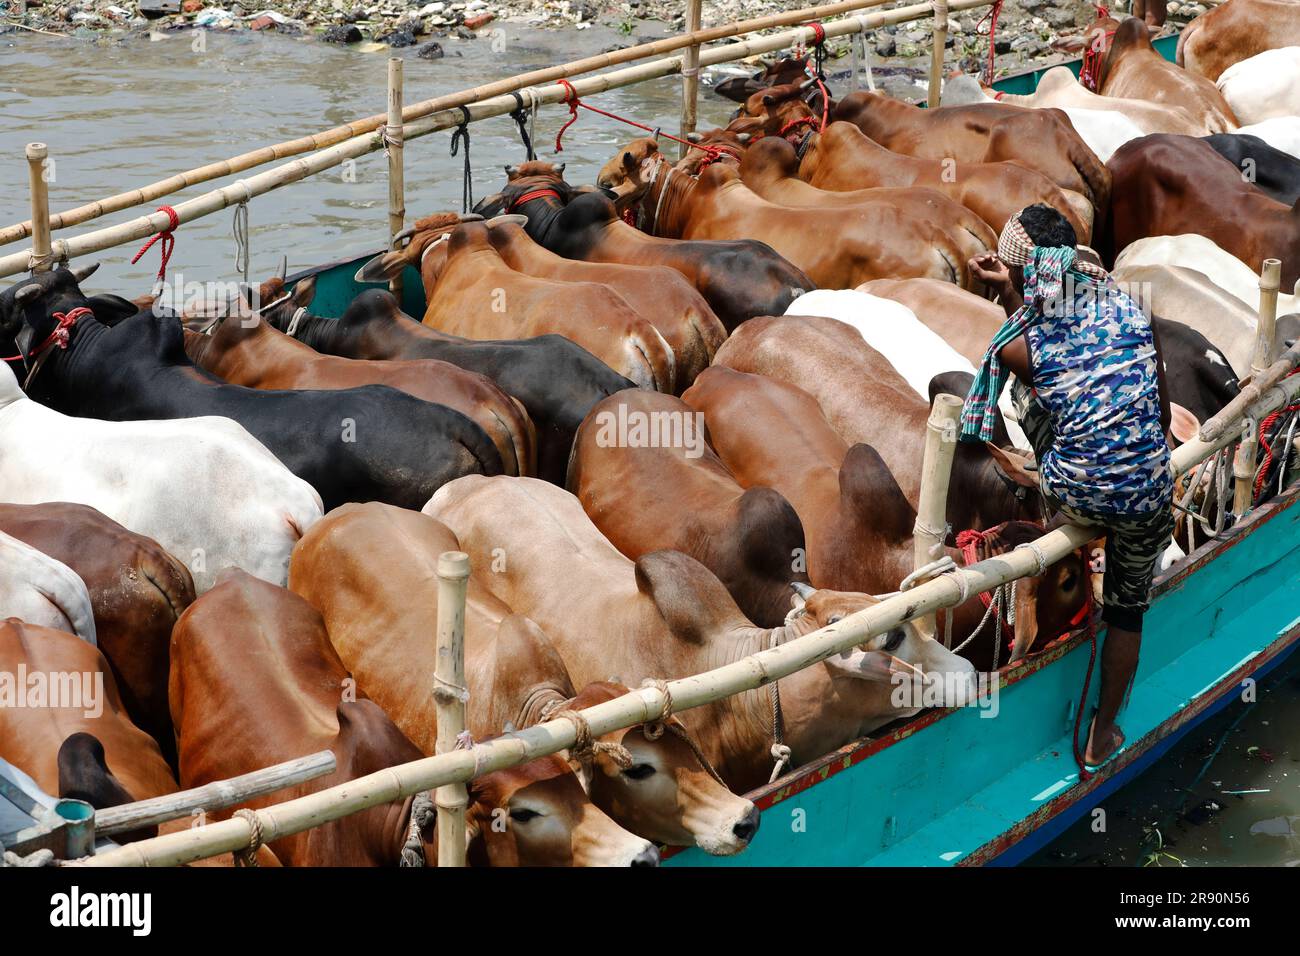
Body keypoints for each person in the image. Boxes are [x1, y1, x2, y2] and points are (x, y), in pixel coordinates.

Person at [962, 203, 1175, 769]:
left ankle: (1059, 513)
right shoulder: (1126, 304)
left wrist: (1006, 293)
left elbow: (1026, 323)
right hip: (1150, 488)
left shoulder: (1016, 346)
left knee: (1025, 399)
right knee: (1128, 613)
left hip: (1079, 491)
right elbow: (1157, 397)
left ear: (1020, 275)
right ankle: (1102, 735)